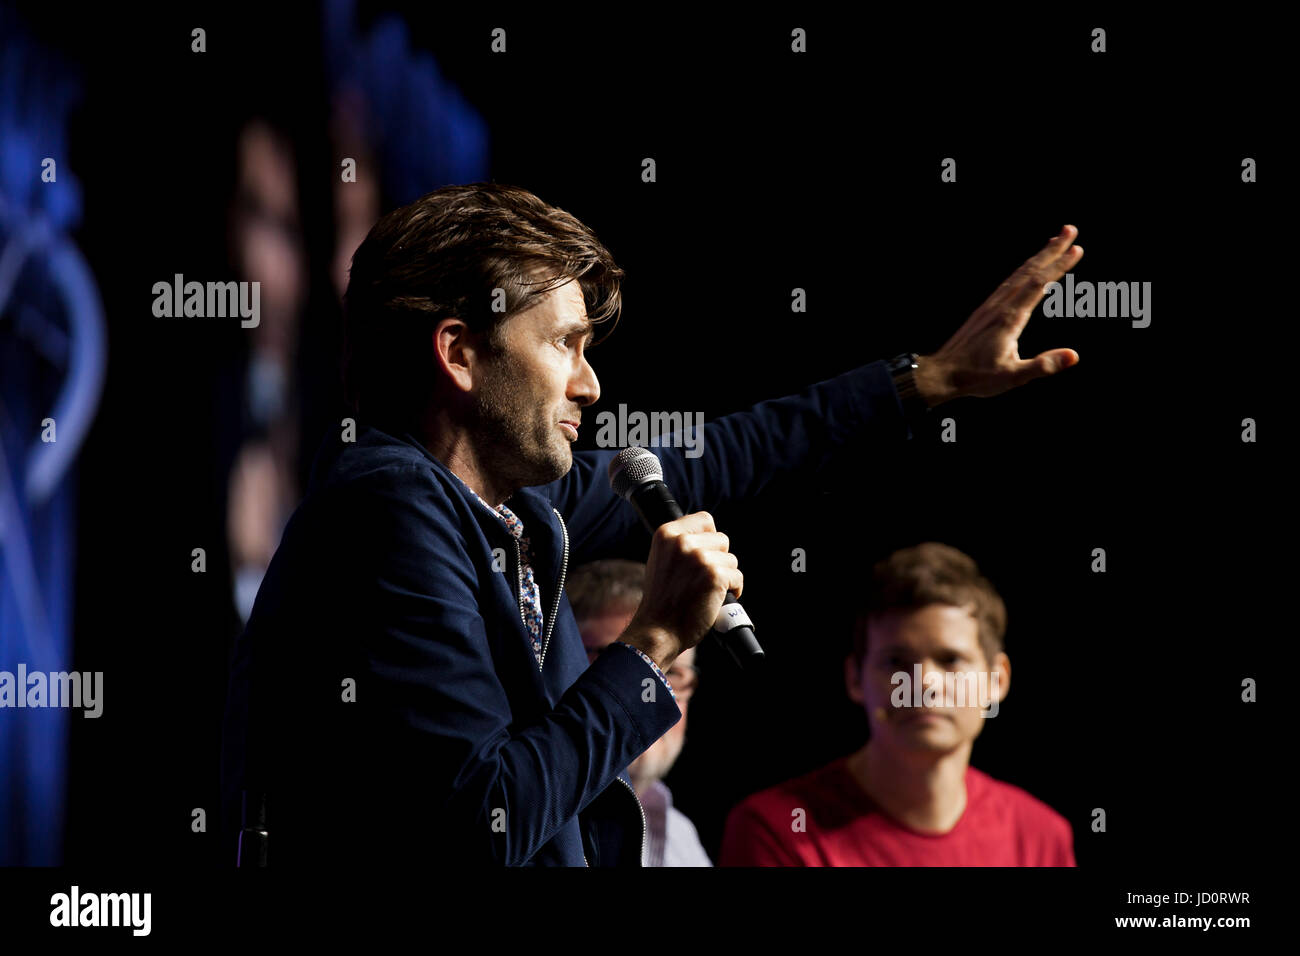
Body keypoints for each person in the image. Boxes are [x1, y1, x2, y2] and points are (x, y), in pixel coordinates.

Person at [220, 181, 1084, 866]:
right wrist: (655, 640)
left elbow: (730, 453)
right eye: (565, 344)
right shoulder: (390, 513)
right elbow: (480, 824)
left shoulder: (512, 507)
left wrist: (924, 382)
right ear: (460, 355)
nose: (590, 386)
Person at [718, 543, 1075, 866]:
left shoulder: (1042, 836)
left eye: (951, 660)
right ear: (855, 678)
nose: (923, 683)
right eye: (896, 662)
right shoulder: (775, 829)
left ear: (997, 680)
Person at [568, 560, 711, 866]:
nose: (653, 695)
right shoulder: (529, 822)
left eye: (673, 674)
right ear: (565, 668)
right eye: (630, 667)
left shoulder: (681, 836)